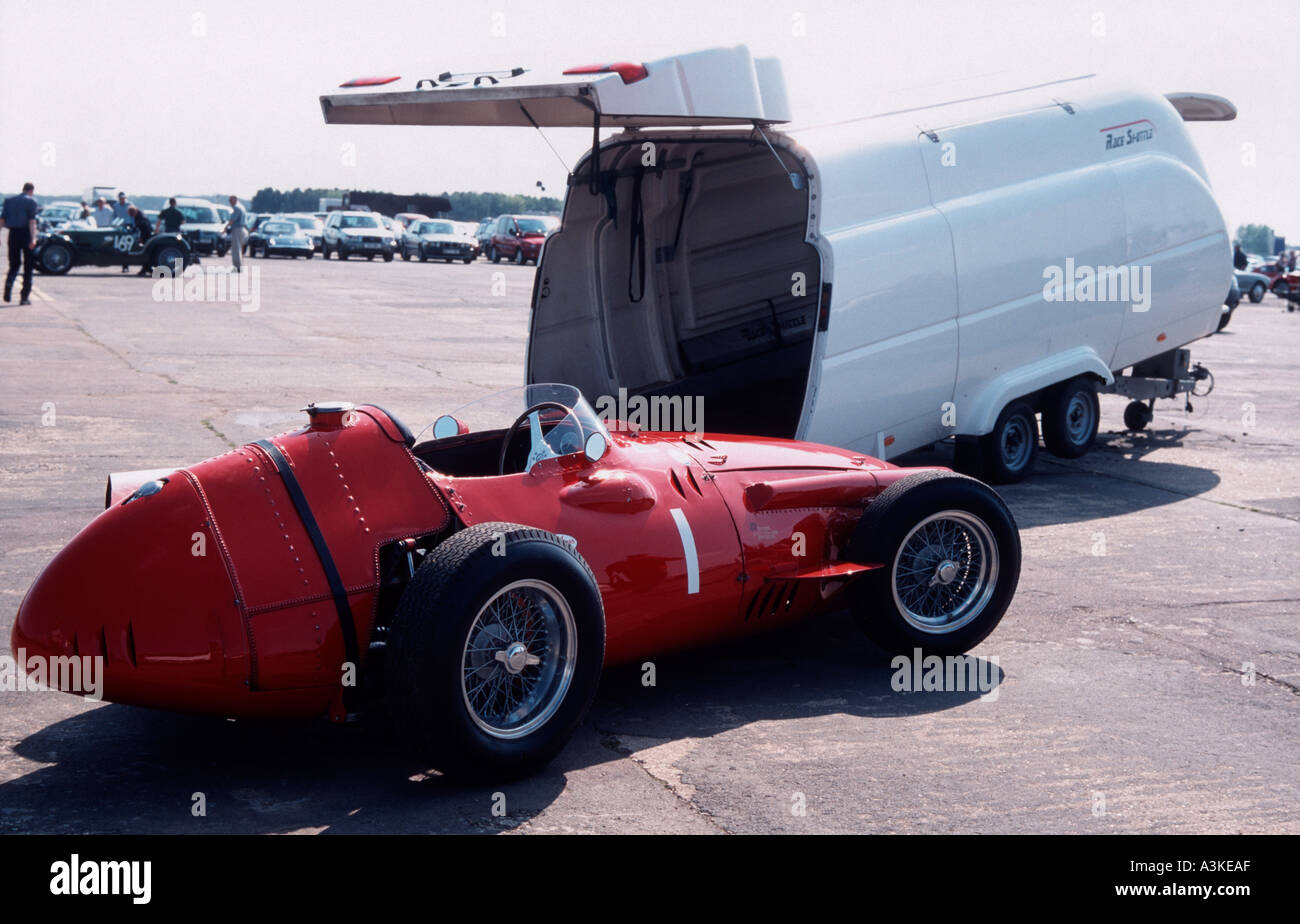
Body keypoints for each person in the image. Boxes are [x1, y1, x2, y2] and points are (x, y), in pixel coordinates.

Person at [1, 181, 39, 305]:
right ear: (31, 191)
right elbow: (32, 221)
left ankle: (8, 287)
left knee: (14, 264)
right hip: (26, 234)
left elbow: (2, 219)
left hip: (13, 235)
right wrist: (33, 238)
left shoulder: (9, 201)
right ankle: (24, 297)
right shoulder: (31, 201)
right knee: (28, 266)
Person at [124, 206, 153, 275]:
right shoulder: (139, 216)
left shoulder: (141, 218)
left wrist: (141, 238)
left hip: (146, 236)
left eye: (131, 214)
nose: (131, 216)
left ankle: (146, 269)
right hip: (145, 236)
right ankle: (145, 269)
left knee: (145, 253)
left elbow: (144, 229)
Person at [224, 196, 247, 271]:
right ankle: (239, 265)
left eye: (231, 200)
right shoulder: (242, 207)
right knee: (239, 247)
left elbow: (232, 220)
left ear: (235, 199)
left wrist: (226, 227)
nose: (230, 202)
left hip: (237, 228)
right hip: (241, 228)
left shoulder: (236, 208)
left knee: (235, 248)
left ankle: (237, 266)